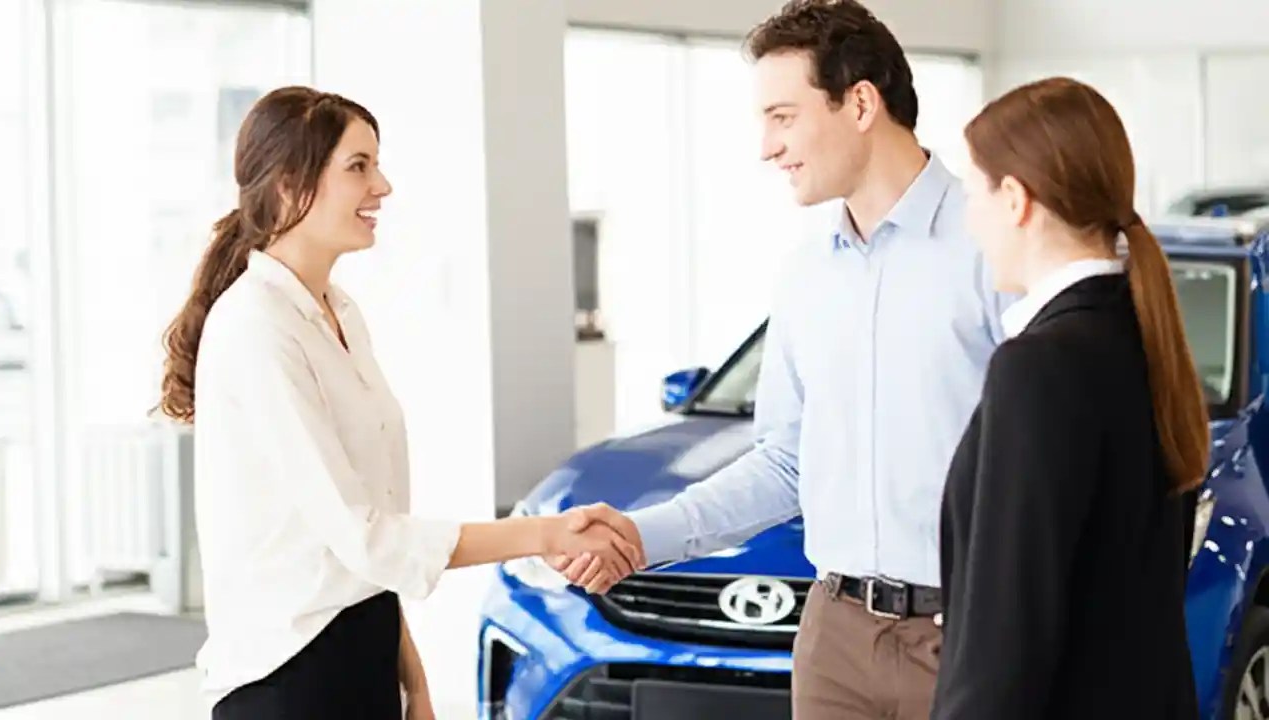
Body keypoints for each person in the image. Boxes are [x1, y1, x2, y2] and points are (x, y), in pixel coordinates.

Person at [555, 1, 1009, 717]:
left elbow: (1053, 456)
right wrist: (645, 535)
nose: (767, 147)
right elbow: (787, 461)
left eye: (783, 116)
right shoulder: (807, 274)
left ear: (860, 102)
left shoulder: (993, 243)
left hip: (970, 633)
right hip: (834, 639)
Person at [155, 86, 642, 720]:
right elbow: (366, 538)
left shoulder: (340, 314)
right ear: (288, 186)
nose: (382, 185)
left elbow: (361, 538)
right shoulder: (255, 327)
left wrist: (408, 671)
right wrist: (541, 533)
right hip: (287, 679)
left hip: (360, 650)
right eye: (358, 166)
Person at [931, 76, 1204, 719]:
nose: (969, 223)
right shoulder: (1142, 335)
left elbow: (1007, 634)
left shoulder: (1038, 368)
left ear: (1017, 199)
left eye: (973, 195)